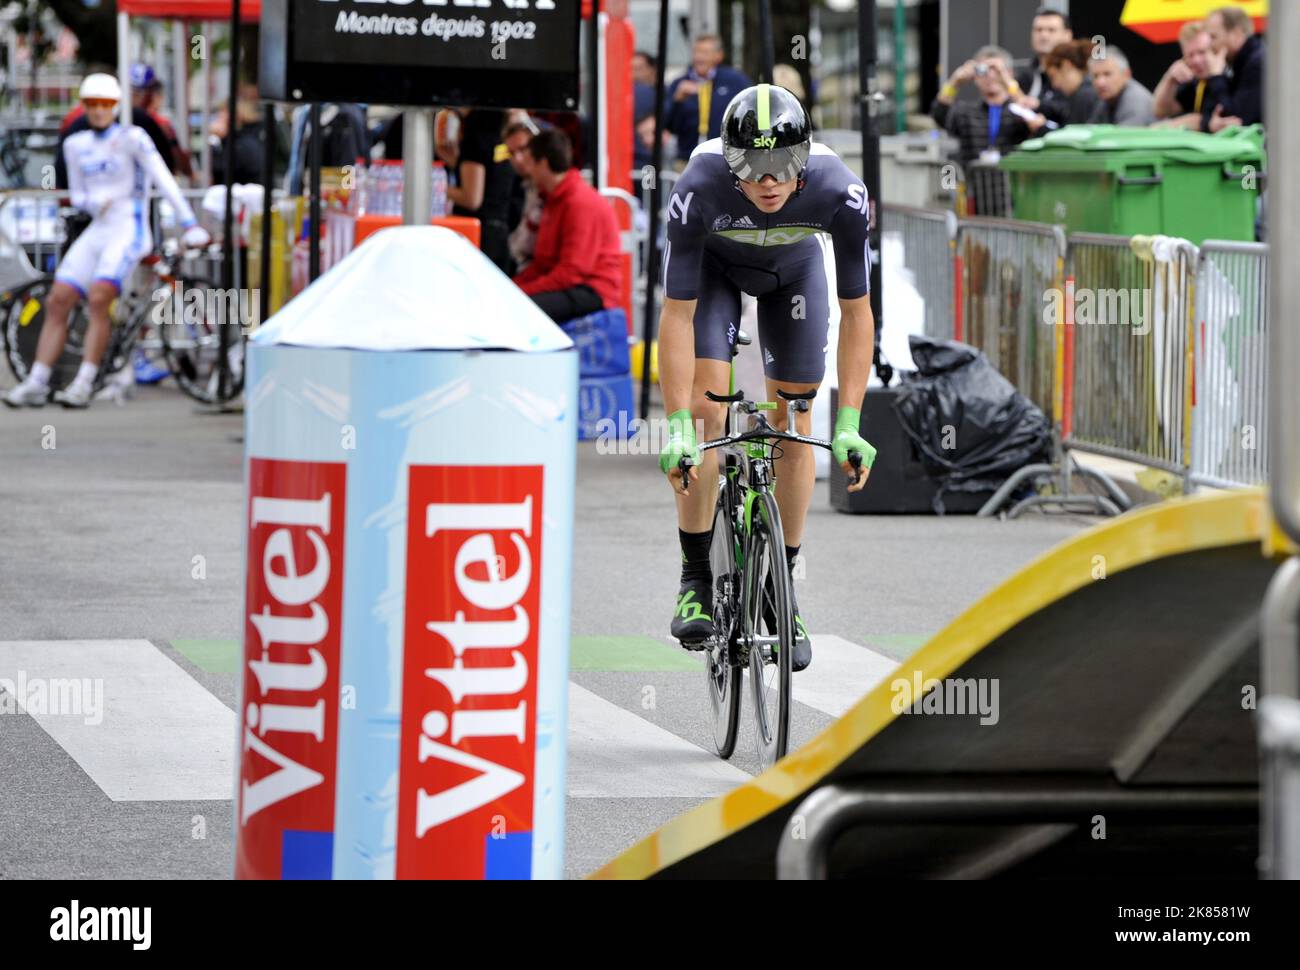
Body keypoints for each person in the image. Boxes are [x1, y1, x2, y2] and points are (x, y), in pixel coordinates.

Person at [657, 83, 878, 670]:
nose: (769, 180)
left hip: (794, 276)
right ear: (730, 165)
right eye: (752, 169)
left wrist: (851, 422)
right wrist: (677, 424)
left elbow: (858, 312)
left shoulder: (840, 191)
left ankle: (783, 589)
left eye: (782, 166)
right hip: (715, 270)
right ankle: (696, 577)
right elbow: (676, 316)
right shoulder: (698, 186)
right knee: (708, 414)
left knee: (795, 422)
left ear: (804, 158)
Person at [4, 75, 209, 410]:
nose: (99, 111)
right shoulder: (76, 144)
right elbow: (77, 192)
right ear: (84, 107)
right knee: (58, 298)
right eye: (92, 104)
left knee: (100, 297)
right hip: (99, 227)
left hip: (129, 228)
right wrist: (89, 202)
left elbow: (162, 177)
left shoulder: (133, 138)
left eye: (105, 104)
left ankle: (85, 381)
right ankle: (37, 380)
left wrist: (189, 223)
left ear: (116, 106)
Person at [511, 128, 621, 322]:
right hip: (575, 284)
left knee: (520, 310)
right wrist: (510, 287)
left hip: (593, 290)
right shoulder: (554, 200)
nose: (527, 172)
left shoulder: (579, 202)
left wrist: (520, 292)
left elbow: (572, 273)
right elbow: (543, 263)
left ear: (543, 163)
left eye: (530, 163)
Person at [932, 46, 1048, 166]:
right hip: (975, 182)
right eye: (983, 70)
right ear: (975, 76)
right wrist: (955, 82)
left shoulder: (1018, 111)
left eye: (997, 71)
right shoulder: (965, 112)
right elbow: (939, 115)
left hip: (1011, 181)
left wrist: (1008, 83)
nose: (990, 76)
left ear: (1009, 74)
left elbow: (1036, 121)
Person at [442, 108, 518, 275]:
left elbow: (472, 198)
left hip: (479, 236)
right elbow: (491, 176)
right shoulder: (500, 143)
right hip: (500, 234)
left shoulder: (474, 143)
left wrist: (435, 188)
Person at [663, 34, 751, 166]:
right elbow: (667, 125)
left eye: (705, 53)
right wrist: (677, 100)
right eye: (696, 52)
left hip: (726, 159)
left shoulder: (735, 81)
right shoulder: (679, 83)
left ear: (718, 56)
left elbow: (750, 112)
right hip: (687, 159)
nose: (699, 58)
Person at [1152, 22, 1228, 130]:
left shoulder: (1231, 77)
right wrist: (1169, 79)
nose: (1196, 60)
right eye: (1190, 55)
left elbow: (1227, 116)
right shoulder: (1197, 82)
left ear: (1217, 50)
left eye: (1202, 52)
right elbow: (1160, 112)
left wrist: (1195, 121)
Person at [1204, 5, 1264, 131]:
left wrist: (1216, 77)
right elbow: (1210, 113)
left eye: (1213, 37)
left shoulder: (1257, 64)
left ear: (1236, 34)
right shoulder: (1238, 62)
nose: (1209, 45)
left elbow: (1237, 121)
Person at [1014, 7, 1074, 117]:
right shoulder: (1026, 75)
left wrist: (1039, 106)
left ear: (1067, 35)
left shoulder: (1077, 72)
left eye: (1051, 30)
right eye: (1038, 30)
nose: (1044, 36)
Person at [503, 116, 543, 273]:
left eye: (522, 149)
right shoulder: (519, 185)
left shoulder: (550, 188)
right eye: (512, 153)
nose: (518, 159)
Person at [1088, 46, 1156, 126]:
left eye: (1107, 74)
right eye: (1095, 76)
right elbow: (1090, 129)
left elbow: (1125, 136)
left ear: (1126, 75)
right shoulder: (1107, 100)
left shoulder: (1135, 100)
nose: (1100, 82)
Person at [1040, 40, 1102, 127]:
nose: (1055, 85)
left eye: (1053, 76)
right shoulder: (1084, 93)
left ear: (1066, 66)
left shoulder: (1085, 95)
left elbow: (1074, 137)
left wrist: (1041, 129)